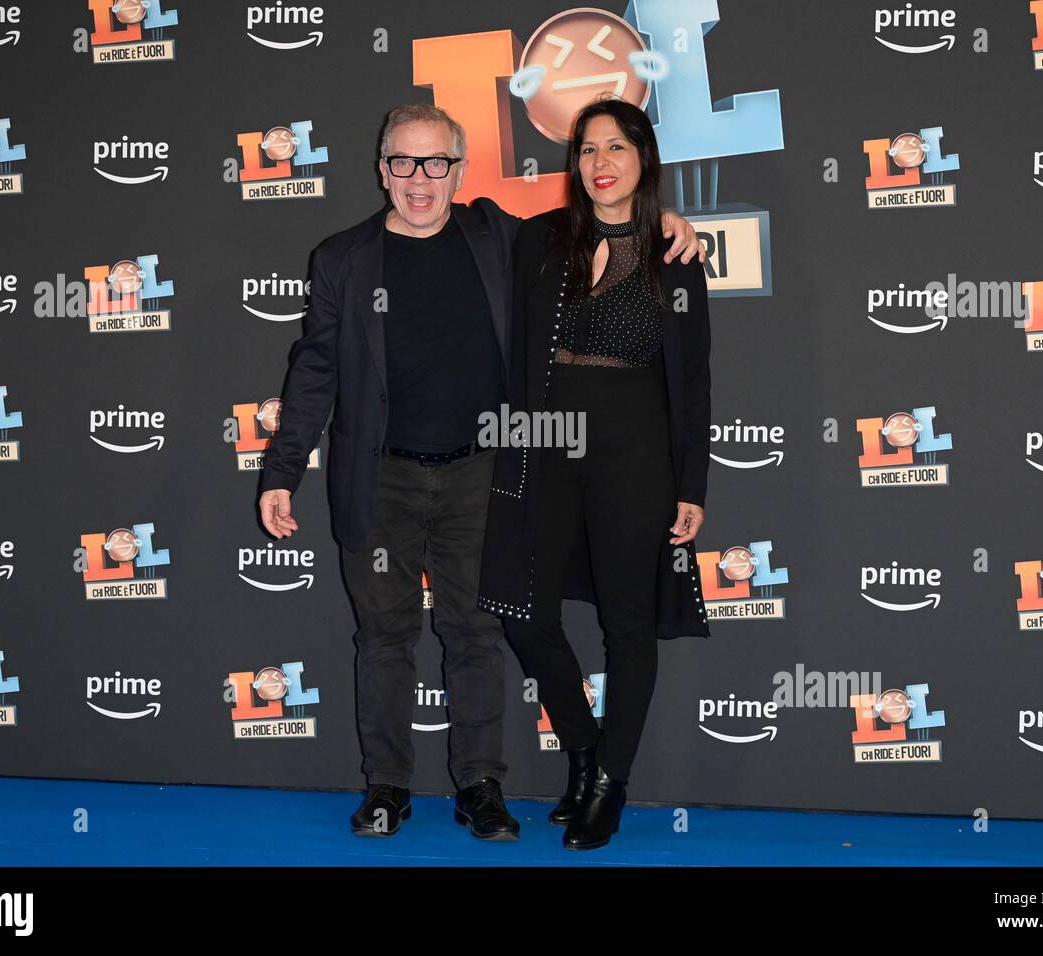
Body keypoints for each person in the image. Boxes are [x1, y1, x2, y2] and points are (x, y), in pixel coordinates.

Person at [256, 103, 705, 840]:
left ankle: (481, 787)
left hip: (482, 473)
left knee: (473, 634)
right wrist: (280, 472)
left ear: (460, 172)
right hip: (380, 478)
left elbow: (599, 216)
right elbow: (313, 371)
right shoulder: (341, 259)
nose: (420, 179)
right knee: (383, 636)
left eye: (437, 163)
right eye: (404, 162)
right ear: (381, 170)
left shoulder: (501, 239)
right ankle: (388, 788)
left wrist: (664, 224)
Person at [478, 97, 712, 851]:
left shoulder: (673, 254)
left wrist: (691, 486)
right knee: (522, 609)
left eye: (616, 147)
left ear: (643, 157)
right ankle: (581, 747)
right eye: (586, 150)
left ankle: (611, 782)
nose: (600, 163)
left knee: (627, 624)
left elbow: (696, 379)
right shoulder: (542, 239)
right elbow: (472, 219)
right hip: (545, 442)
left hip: (636, 454)